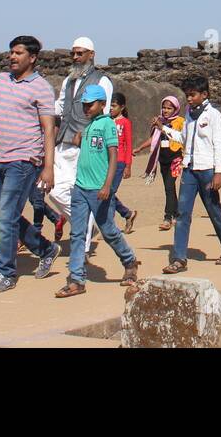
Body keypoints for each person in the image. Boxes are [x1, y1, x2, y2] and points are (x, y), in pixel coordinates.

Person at [0, 28, 60, 294]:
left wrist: (48, 167)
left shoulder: (41, 87)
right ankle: (46, 248)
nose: (12, 57)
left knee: (5, 218)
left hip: (24, 160)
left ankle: (6, 273)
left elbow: (49, 129)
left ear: (33, 57)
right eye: (11, 52)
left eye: (18, 53)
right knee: (6, 216)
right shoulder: (1, 80)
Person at [54, 85, 138, 297]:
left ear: (102, 104)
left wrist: (107, 185)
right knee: (78, 233)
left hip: (99, 189)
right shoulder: (89, 126)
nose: (86, 109)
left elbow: (113, 156)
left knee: (109, 231)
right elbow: (84, 148)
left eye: (90, 105)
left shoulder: (107, 125)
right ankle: (76, 279)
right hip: (80, 188)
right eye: (84, 105)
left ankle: (129, 260)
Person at [162, 76, 221, 273]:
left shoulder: (213, 115)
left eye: (193, 95)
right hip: (189, 169)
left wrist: (218, 173)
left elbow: (219, 146)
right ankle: (179, 258)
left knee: (213, 209)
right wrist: (163, 129)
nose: (190, 99)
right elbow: (183, 139)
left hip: (207, 171)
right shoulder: (189, 115)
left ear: (204, 95)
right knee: (182, 213)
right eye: (188, 95)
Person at [50, 38, 115, 254]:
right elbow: (60, 106)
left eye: (80, 53)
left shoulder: (102, 80)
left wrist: (86, 134)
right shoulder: (69, 79)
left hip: (83, 144)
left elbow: (103, 115)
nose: (76, 57)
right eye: (74, 53)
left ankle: (83, 244)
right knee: (55, 192)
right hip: (63, 142)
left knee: (79, 192)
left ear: (91, 54)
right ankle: (88, 225)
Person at [135, 95, 184, 231]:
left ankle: (167, 217)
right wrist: (139, 148)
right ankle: (176, 213)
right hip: (163, 159)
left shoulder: (180, 121)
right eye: (164, 107)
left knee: (169, 186)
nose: (166, 110)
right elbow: (153, 139)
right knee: (170, 188)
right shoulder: (159, 120)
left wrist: (163, 127)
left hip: (176, 158)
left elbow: (181, 137)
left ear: (176, 109)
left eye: (169, 108)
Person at [107, 92, 136, 233]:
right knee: (106, 192)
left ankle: (110, 226)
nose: (111, 108)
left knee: (110, 192)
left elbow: (128, 144)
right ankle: (127, 214)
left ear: (122, 107)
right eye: (110, 106)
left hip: (119, 162)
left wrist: (128, 166)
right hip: (106, 162)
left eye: (114, 106)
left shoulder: (125, 122)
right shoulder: (106, 121)